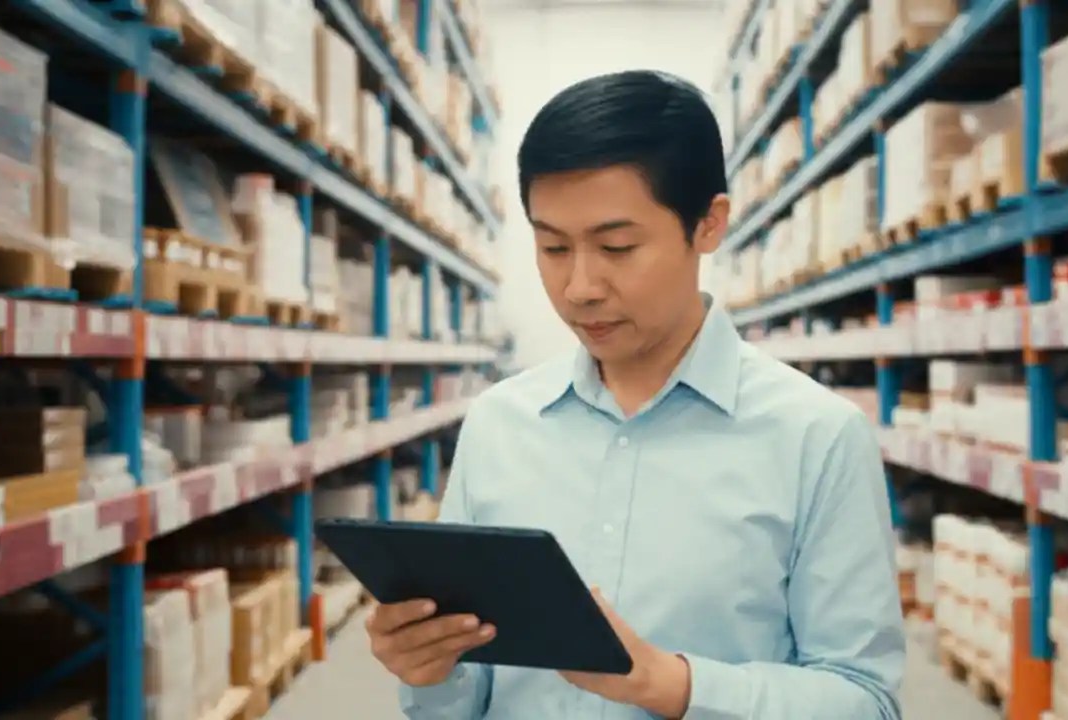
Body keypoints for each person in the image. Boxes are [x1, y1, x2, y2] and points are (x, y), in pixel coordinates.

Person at [366, 69, 906, 719]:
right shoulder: (499, 425)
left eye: (617, 247)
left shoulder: (816, 437)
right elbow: (460, 699)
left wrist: (670, 684)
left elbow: (865, 699)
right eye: (552, 247)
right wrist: (428, 671)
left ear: (708, 224)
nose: (580, 287)